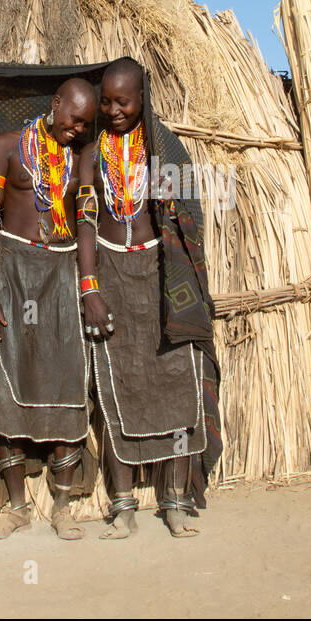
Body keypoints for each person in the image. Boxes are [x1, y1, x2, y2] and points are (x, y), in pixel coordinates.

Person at [78, 58, 207, 539]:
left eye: (123, 101)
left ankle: (173, 502)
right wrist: (89, 286)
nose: (113, 110)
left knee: (176, 383)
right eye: (106, 101)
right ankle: (123, 505)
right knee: (118, 384)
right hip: (111, 271)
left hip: (161, 275)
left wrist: (184, 286)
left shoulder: (166, 149)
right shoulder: (92, 155)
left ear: (142, 99)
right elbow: (86, 223)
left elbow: (186, 221)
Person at [0, 78, 98, 540]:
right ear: (55, 104)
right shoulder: (6, 147)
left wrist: (88, 287)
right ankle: (17, 508)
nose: (77, 128)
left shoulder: (82, 157)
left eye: (86, 123)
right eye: (73, 118)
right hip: (13, 270)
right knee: (10, 380)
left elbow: (85, 221)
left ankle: (62, 505)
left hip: (62, 272)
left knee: (68, 381)